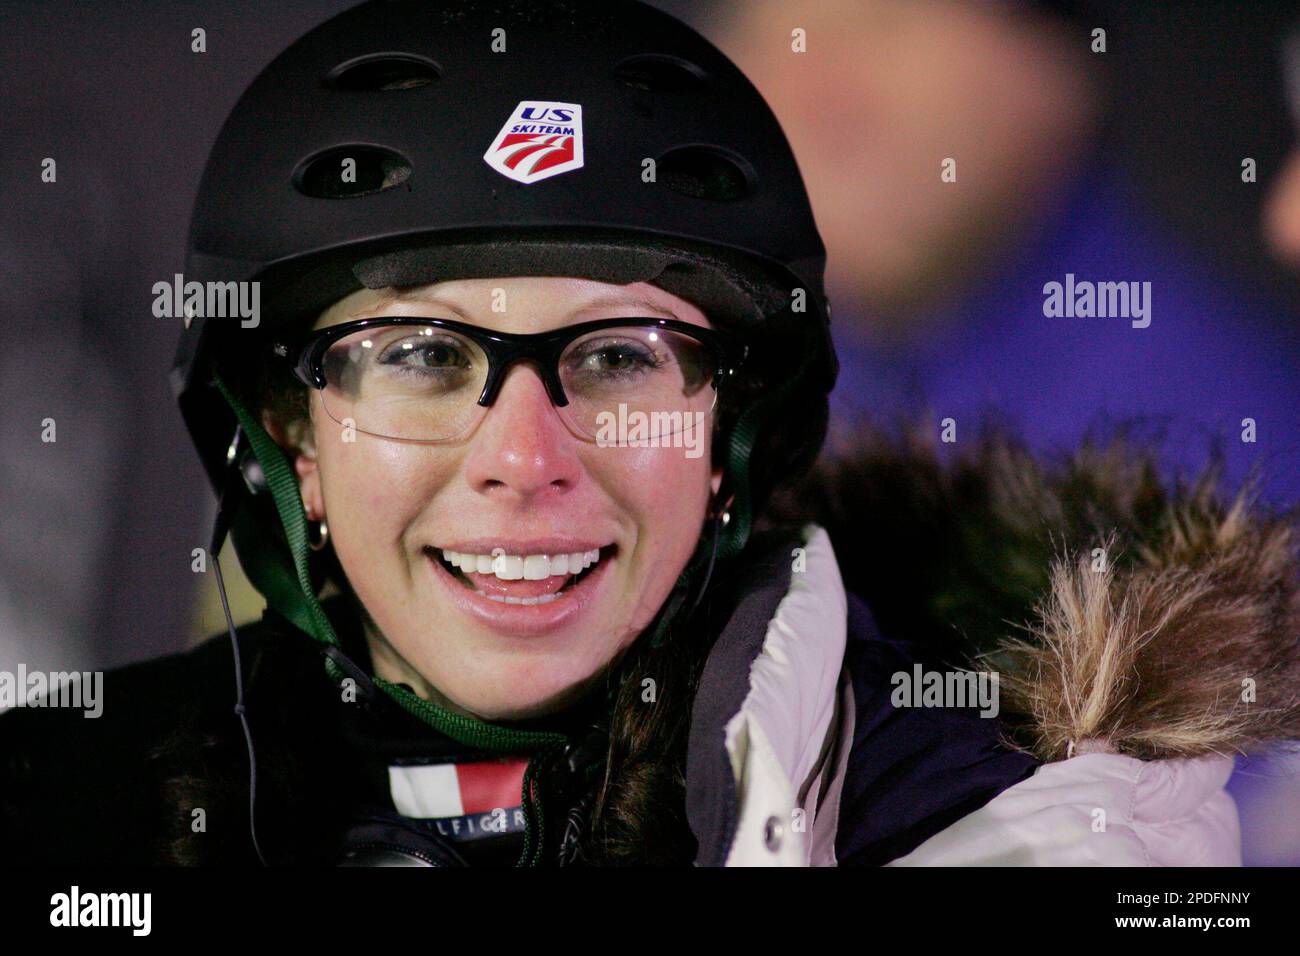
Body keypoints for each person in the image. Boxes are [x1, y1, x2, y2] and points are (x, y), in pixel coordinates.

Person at [2, 0, 1297, 867]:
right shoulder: (77, 801)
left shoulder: (1031, 820)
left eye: (618, 356)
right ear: (287, 435)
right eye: (418, 356)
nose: (523, 455)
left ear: (745, 428)